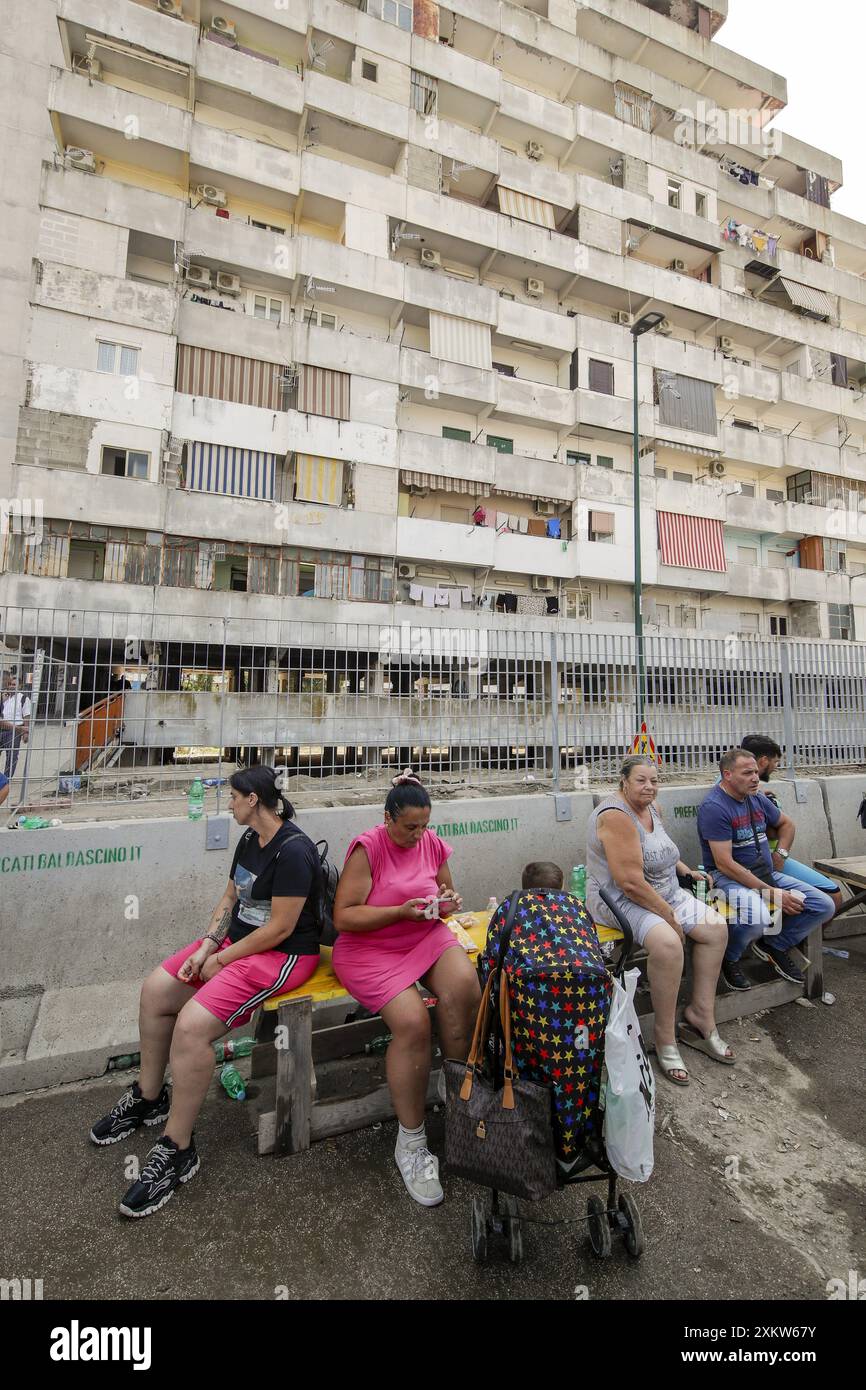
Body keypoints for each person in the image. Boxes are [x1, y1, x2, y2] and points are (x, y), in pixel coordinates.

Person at [89, 766, 322, 1218]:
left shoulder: (294, 851)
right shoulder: (248, 840)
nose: (229, 804)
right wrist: (209, 946)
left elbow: (281, 928)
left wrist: (225, 960)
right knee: (157, 991)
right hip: (236, 945)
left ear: (253, 799)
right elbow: (230, 900)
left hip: (283, 956)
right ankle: (149, 1097)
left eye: (233, 797)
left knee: (192, 1028)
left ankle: (177, 1149)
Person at [332, 770, 480, 1207]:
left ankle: (456, 1092)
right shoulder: (368, 847)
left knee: (465, 990)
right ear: (387, 818)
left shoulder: (431, 843)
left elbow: (445, 890)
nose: (418, 834)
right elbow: (344, 917)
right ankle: (411, 1142)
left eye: (424, 825)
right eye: (409, 826)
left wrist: (448, 901)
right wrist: (399, 912)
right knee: (413, 1023)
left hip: (423, 934)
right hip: (370, 949)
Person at [586, 755, 733, 1087]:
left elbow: (664, 850)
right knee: (668, 944)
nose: (649, 786)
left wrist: (685, 871)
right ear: (623, 781)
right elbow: (630, 883)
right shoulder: (616, 816)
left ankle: (701, 1015)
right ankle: (665, 1038)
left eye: (654, 780)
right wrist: (669, 917)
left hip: (665, 892)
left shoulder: (653, 808)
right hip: (621, 900)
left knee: (715, 928)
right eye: (641, 780)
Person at [698, 749, 836, 991]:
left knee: (823, 905)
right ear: (727, 775)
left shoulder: (756, 798)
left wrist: (780, 854)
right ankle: (729, 958)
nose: (755, 778)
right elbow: (724, 864)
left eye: (755, 772)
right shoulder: (714, 807)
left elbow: (786, 824)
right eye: (747, 773)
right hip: (728, 878)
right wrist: (770, 892)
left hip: (765, 873)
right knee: (759, 916)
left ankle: (775, 943)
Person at [740, 734, 841, 914]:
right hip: (758, 864)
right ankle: (785, 941)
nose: (776, 767)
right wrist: (778, 854)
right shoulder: (731, 796)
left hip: (771, 859)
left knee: (830, 893)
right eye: (776, 762)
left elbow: (787, 825)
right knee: (832, 895)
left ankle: (796, 939)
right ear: (763, 760)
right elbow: (772, 831)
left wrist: (781, 853)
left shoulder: (755, 792)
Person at [0, 671, 30, 779]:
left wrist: (26, 732)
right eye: (10, 684)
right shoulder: (3, 696)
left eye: (14, 685)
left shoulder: (23, 699)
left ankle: (6, 778)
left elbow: (26, 716)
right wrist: (3, 699)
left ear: (20, 686)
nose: (11, 687)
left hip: (14, 731)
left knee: (11, 756)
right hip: (1, 729)